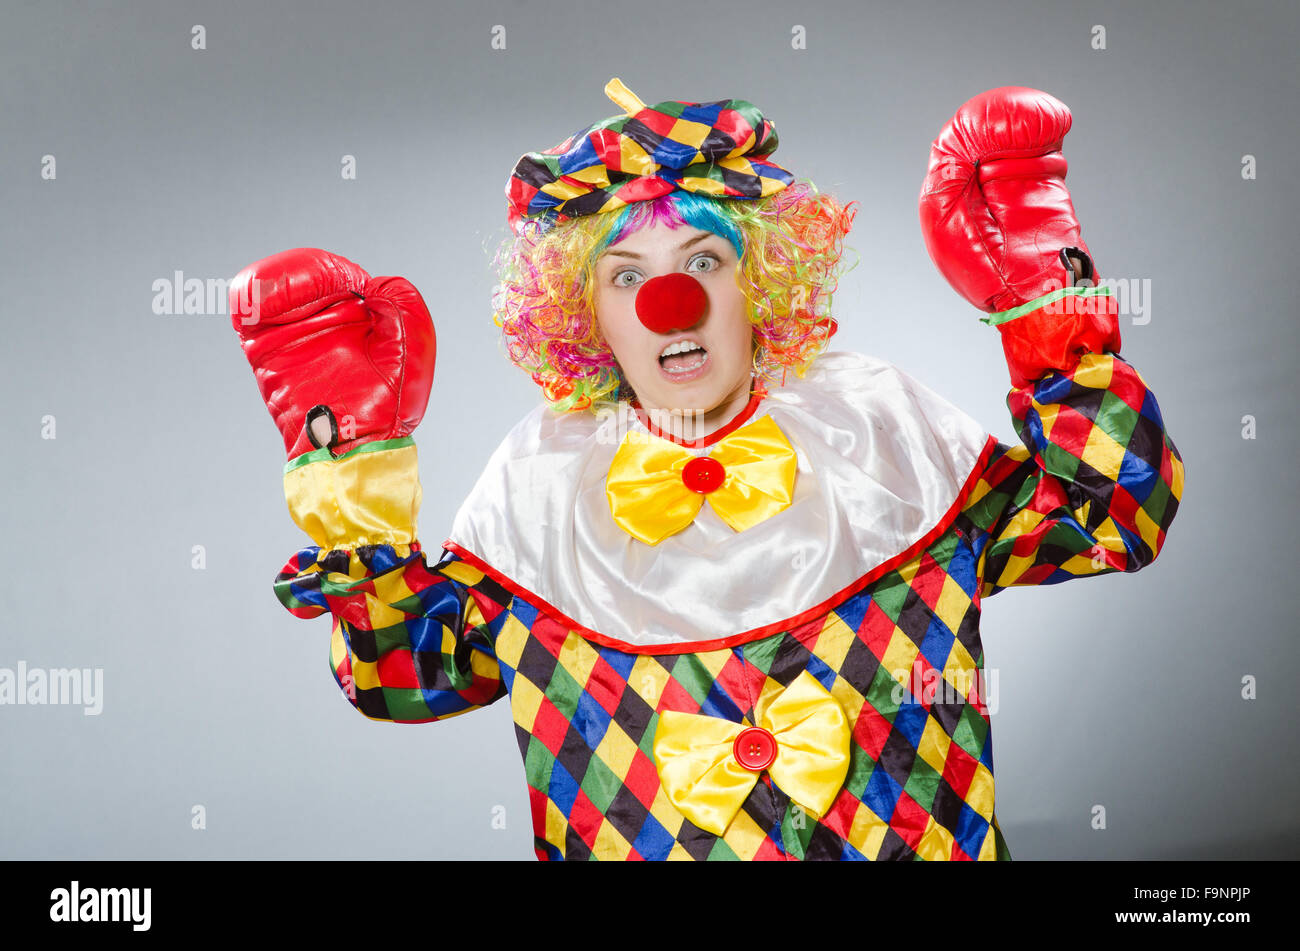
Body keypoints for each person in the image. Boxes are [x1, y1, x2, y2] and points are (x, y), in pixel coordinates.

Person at [230, 79, 1184, 860]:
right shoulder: (537, 482)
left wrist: (1048, 307)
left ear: (759, 280)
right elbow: (403, 675)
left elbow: (1114, 516)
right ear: (585, 313)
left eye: (705, 259)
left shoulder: (875, 426)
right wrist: (350, 474)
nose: (670, 302)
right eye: (626, 277)